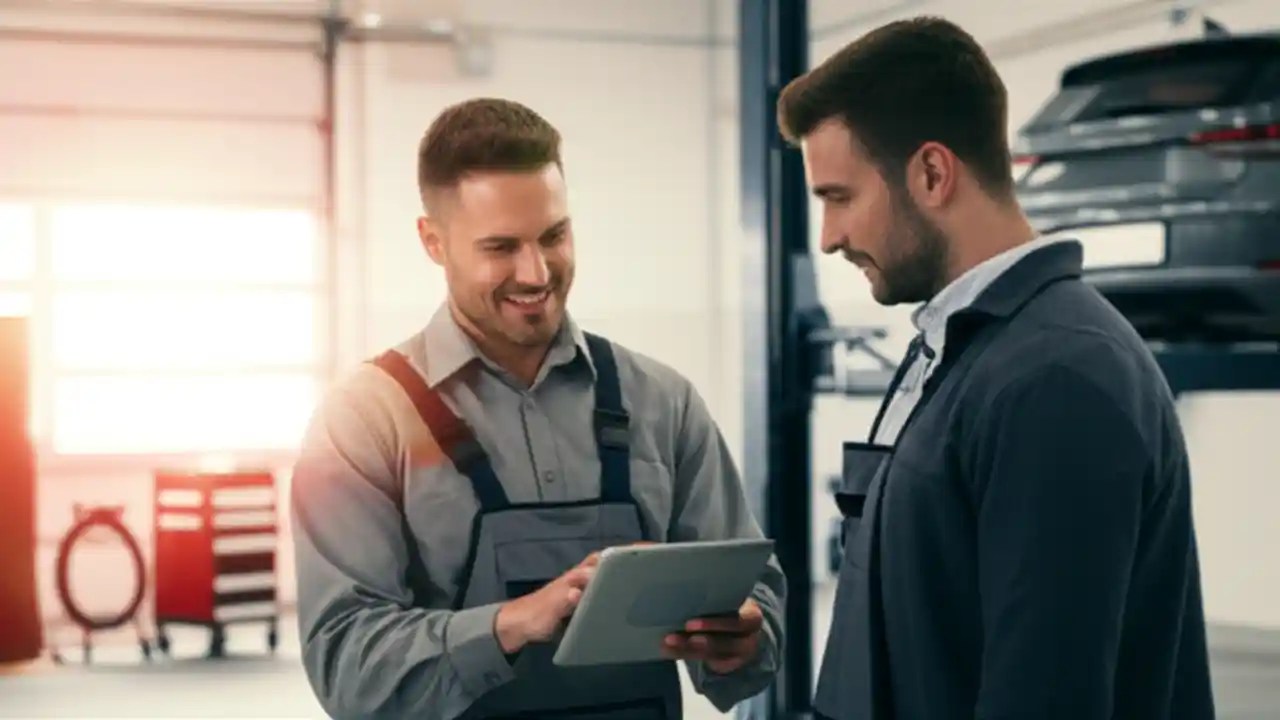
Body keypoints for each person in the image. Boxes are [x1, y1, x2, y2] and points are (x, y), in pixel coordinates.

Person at [289, 97, 785, 719]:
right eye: (500, 247)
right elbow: (347, 664)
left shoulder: (662, 401)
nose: (536, 271)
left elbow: (755, 594)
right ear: (433, 242)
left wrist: (744, 637)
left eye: (554, 235)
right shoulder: (362, 420)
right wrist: (509, 625)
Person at [777, 16, 1215, 720]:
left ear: (931, 173)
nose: (829, 238)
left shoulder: (1059, 376)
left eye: (839, 198)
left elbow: (1045, 698)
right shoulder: (959, 348)